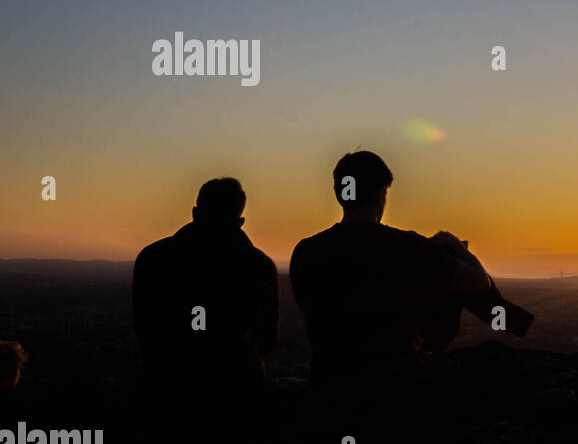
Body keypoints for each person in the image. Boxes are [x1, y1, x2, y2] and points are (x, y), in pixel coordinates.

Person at [290, 150, 530, 383]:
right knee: (446, 268)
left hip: (330, 376)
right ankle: (509, 321)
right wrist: (457, 247)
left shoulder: (306, 251)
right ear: (380, 194)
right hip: (396, 379)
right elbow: (479, 283)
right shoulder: (409, 247)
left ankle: (509, 321)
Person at [133, 177, 279, 391]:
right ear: (240, 222)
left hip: (166, 385)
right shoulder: (260, 267)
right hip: (236, 386)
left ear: (195, 213)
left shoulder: (152, 258)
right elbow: (267, 341)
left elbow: (144, 330)